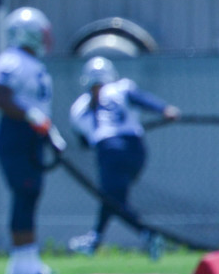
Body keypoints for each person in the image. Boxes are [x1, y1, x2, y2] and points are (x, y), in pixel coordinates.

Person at [68, 56, 180, 257]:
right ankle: (95, 239)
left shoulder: (78, 109)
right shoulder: (121, 88)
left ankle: (148, 235)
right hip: (136, 150)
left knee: (113, 199)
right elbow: (142, 99)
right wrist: (164, 109)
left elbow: (84, 142)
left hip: (109, 151)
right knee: (113, 197)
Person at [0, 6, 57, 274]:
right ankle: (21, 262)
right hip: (16, 132)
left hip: (31, 134)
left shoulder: (32, 63)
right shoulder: (11, 60)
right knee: (24, 192)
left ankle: (27, 259)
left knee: (30, 194)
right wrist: (31, 115)